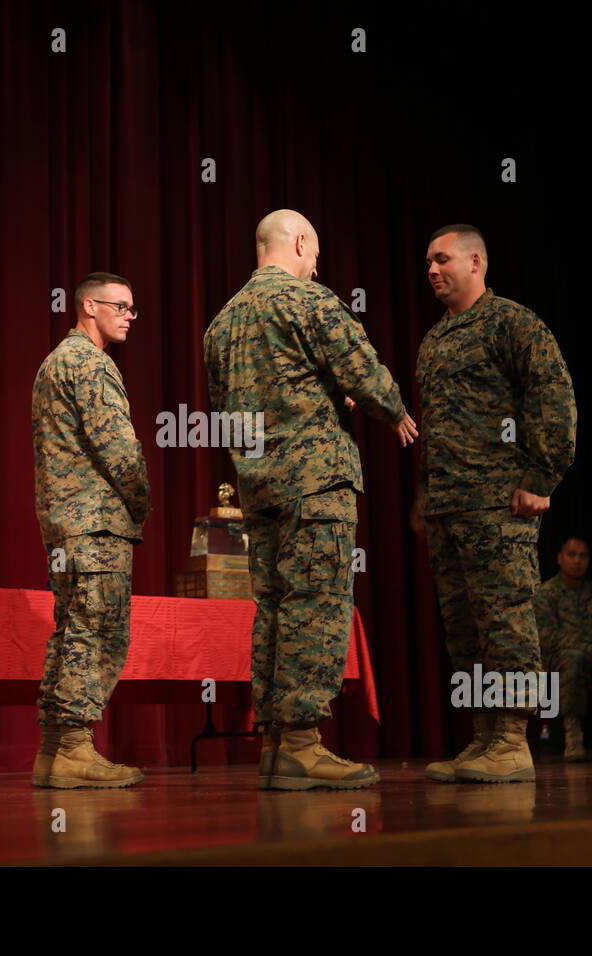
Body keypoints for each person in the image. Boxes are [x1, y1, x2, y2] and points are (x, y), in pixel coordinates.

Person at [204, 209, 417, 790]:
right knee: (317, 605)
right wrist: (394, 411)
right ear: (298, 243)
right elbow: (364, 373)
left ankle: (275, 742)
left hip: (259, 488)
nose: (316, 264)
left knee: (272, 609)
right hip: (315, 483)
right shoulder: (309, 301)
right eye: (315, 253)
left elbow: (230, 408)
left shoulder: (221, 324)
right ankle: (301, 743)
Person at [412, 224, 577, 783]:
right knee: (464, 630)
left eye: (442, 259)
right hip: (448, 508)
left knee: (506, 620)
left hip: (499, 506)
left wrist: (541, 477)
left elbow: (554, 400)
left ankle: (512, 737)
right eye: (428, 263)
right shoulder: (433, 341)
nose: (432, 270)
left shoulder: (513, 322)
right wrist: (423, 495)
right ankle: (484, 735)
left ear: (475, 261)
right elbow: (433, 427)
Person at [30, 272, 149, 788]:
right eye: (120, 306)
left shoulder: (54, 362)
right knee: (96, 633)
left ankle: (56, 751)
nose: (129, 316)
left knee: (72, 630)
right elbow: (121, 453)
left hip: (65, 525)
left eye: (132, 309)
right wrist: (141, 504)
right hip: (95, 523)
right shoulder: (88, 363)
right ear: (87, 307)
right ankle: (74, 750)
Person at [534, 536, 592, 761]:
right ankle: (573, 734)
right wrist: (589, 650)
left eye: (583, 556)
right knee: (572, 658)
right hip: (557, 660)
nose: (577, 561)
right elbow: (548, 638)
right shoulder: (545, 594)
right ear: (560, 558)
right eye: (571, 554)